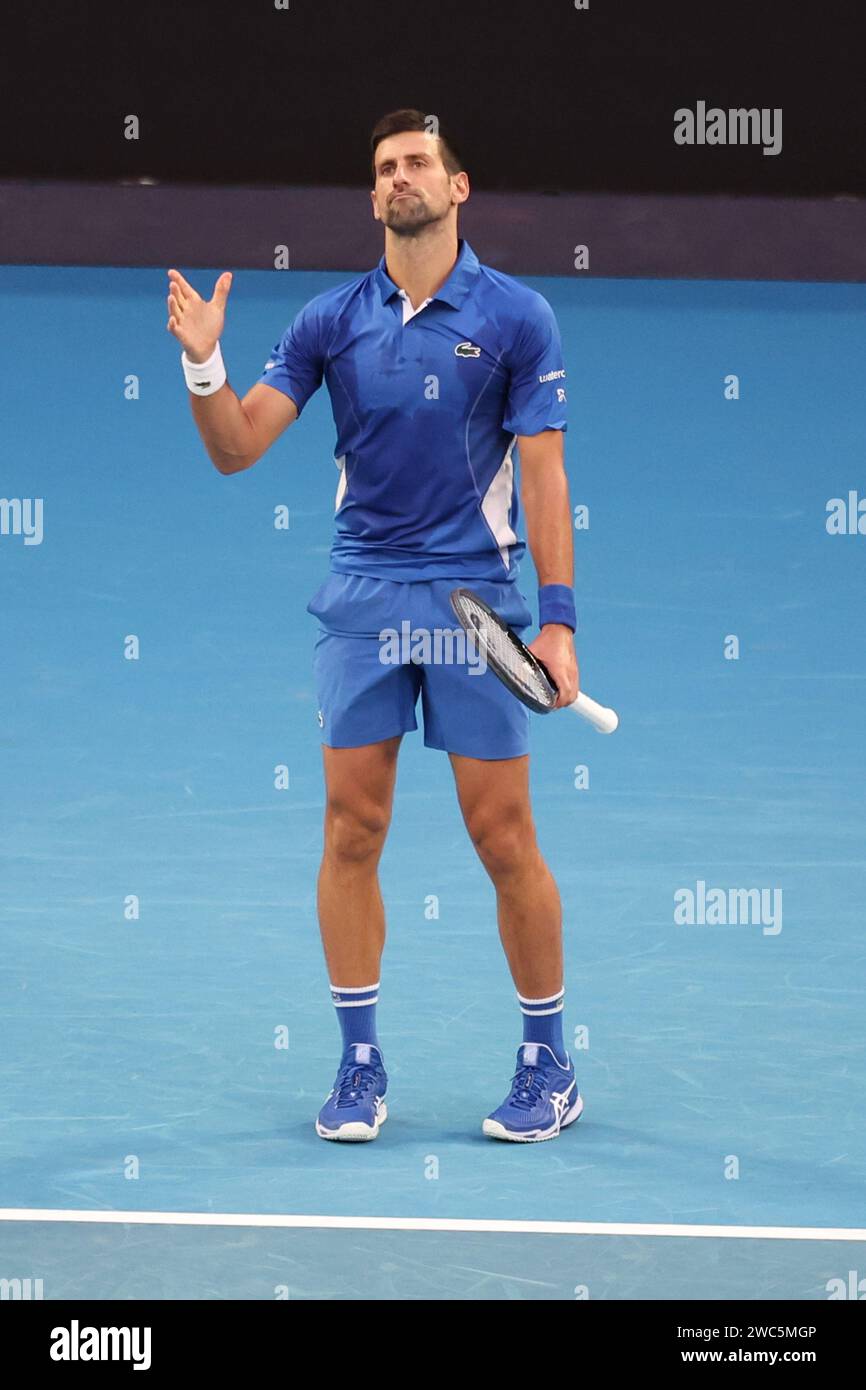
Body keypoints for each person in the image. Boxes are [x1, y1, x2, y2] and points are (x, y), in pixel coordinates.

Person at [166, 108, 582, 1143]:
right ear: (372, 198)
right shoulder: (327, 321)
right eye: (384, 168)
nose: (399, 178)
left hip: (474, 600)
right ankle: (358, 1063)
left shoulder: (520, 319)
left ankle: (548, 1060)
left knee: (502, 834)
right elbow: (235, 450)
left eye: (416, 164)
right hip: (362, 599)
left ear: (457, 187)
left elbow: (543, 474)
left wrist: (560, 624)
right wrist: (204, 369)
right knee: (351, 827)